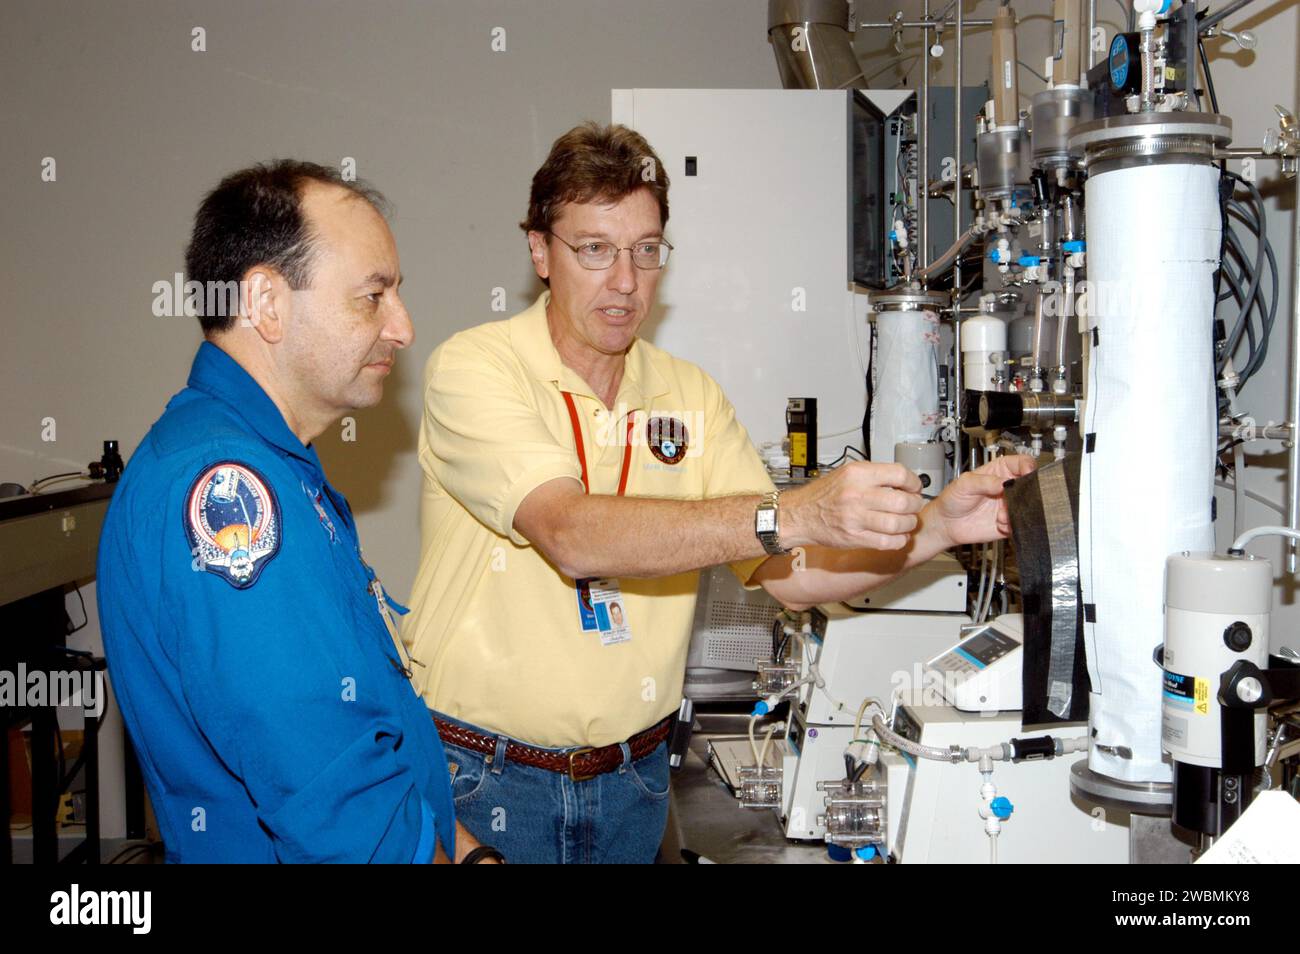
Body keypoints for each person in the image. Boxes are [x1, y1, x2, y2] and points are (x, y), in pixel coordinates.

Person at [402, 123, 1033, 863]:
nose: (626, 281)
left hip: (633, 783)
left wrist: (936, 529)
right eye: (595, 250)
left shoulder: (687, 396)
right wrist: (795, 511)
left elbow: (796, 579)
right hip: (488, 777)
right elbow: (570, 533)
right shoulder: (477, 368)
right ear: (540, 251)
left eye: (646, 250)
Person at [97, 161, 495, 863]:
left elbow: (372, 730)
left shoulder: (276, 465)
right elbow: (335, 801)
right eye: (372, 297)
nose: (402, 327)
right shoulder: (225, 485)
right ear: (267, 303)